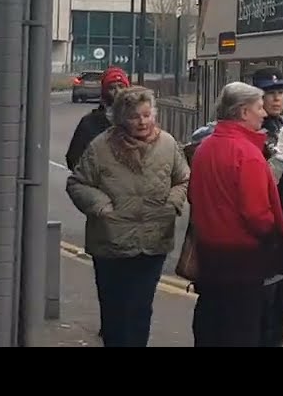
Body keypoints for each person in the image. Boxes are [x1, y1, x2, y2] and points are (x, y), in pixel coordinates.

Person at [65, 86, 190, 347]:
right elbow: (77, 183)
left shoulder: (167, 144)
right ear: (122, 118)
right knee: (115, 312)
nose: (143, 122)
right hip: (112, 242)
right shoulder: (101, 147)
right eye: (135, 116)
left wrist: (173, 202)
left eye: (147, 115)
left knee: (140, 309)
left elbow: (183, 178)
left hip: (153, 241)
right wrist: (101, 205)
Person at [188, 82, 283, 347]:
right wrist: (274, 240)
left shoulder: (205, 148)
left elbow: (194, 195)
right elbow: (257, 213)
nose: (263, 113)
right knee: (242, 330)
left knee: (211, 326)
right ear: (243, 112)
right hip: (243, 260)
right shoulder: (247, 154)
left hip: (210, 255)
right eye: (259, 107)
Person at [249, 66, 283, 347]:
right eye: (270, 94)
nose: (276, 99)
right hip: (265, 222)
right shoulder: (252, 131)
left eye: (280, 93)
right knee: (262, 303)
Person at [64, 66, 130, 171]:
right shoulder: (89, 123)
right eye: (112, 88)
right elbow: (73, 158)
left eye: (121, 87)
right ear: (104, 92)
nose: (118, 92)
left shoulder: (138, 121)